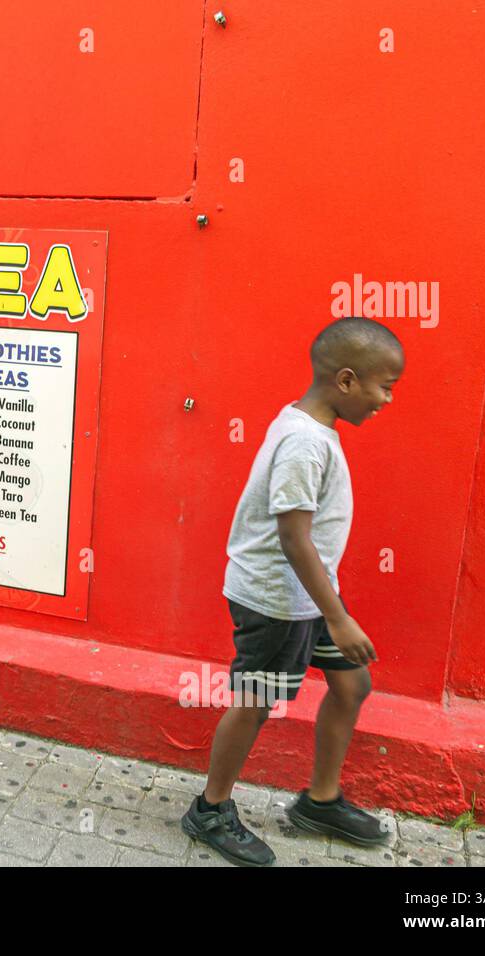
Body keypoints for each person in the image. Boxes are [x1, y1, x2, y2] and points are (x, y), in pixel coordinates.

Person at [181, 316, 405, 866]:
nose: (387, 399)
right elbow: (292, 536)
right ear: (347, 380)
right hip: (276, 598)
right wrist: (339, 618)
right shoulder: (305, 443)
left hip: (312, 595)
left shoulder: (310, 427)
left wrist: (330, 610)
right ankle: (209, 809)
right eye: (385, 386)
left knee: (351, 685)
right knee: (257, 703)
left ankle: (320, 802)